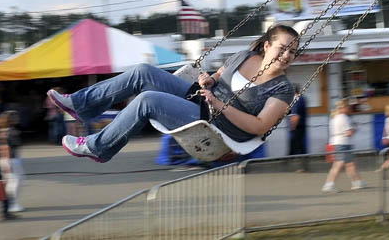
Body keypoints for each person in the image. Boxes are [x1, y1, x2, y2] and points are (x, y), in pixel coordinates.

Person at [47, 25, 299, 163]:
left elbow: (258, 126)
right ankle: (81, 105)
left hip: (218, 124)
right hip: (204, 99)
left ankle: (97, 147)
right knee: (143, 71)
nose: (286, 55)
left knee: (148, 100)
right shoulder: (246, 55)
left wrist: (219, 104)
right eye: (282, 48)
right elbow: (220, 75)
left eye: (292, 51)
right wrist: (208, 79)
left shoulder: (283, 88)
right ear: (267, 45)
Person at [322, 99, 366, 193]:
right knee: (338, 165)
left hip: (338, 142)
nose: (349, 108)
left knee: (350, 163)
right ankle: (329, 185)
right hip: (342, 143)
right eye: (347, 106)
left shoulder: (334, 117)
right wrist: (355, 128)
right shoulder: (343, 117)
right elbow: (349, 133)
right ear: (343, 107)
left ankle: (357, 182)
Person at [0, 110, 25, 213]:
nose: (17, 119)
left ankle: (9, 203)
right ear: (10, 120)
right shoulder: (12, 132)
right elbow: (5, 147)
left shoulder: (1, 131)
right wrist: (7, 162)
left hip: (4, 160)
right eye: (15, 117)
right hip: (11, 160)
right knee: (16, 182)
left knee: (10, 182)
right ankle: (12, 204)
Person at [288, 84, 309, 172]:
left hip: (297, 126)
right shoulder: (303, 98)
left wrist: (292, 127)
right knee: (300, 146)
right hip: (302, 125)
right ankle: (303, 166)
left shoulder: (296, 99)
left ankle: (300, 167)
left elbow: (295, 117)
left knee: (297, 146)